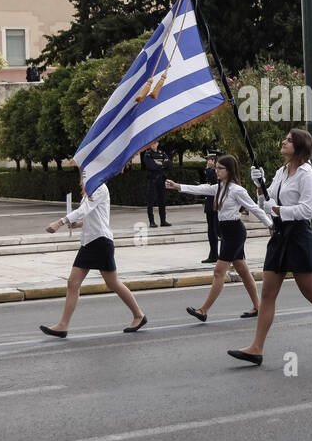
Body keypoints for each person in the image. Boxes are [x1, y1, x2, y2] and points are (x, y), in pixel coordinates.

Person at [229, 129, 312, 365]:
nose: (284, 141)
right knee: (268, 293)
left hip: (299, 235)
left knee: (310, 292)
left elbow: (308, 211)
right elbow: (265, 203)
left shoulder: (306, 174)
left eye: (289, 140)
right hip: (280, 235)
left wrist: (277, 210)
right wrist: (259, 185)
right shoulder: (282, 172)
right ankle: (256, 348)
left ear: (300, 146)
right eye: (285, 138)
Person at [39, 172, 147, 337]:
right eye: (82, 174)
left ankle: (139, 315)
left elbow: (85, 210)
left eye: (85, 174)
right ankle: (63, 325)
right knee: (72, 283)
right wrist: (78, 225)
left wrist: (60, 222)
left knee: (113, 283)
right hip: (89, 243)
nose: (82, 178)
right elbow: (96, 215)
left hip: (100, 242)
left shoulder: (99, 187)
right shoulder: (91, 189)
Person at [167, 154, 272, 321]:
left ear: (229, 170)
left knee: (218, 271)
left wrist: (270, 225)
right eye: (216, 168)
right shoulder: (219, 187)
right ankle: (258, 306)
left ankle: (203, 310)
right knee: (244, 271)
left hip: (235, 232)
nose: (216, 171)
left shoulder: (237, 190)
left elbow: (254, 208)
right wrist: (177, 186)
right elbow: (200, 188)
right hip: (227, 232)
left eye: (220, 168)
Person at [141, 140, 170, 227]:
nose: (153, 145)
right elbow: (151, 166)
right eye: (152, 143)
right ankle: (152, 222)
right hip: (152, 180)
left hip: (161, 180)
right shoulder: (148, 154)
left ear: (158, 144)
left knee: (162, 201)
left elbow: (169, 163)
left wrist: (159, 163)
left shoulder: (162, 153)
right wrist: (162, 164)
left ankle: (163, 221)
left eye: (155, 143)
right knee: (151, 202)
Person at [200, 152, 219, 263]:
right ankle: (213, 254)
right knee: (211, 231)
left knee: (215, 230)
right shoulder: (208, 171)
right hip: (209, 204)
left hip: (215, 204)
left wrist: (208, 170)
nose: (208, 162)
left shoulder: (216, 171)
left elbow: (213, 181)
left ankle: (216, 255)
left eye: (211, 160)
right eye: (207, 160)